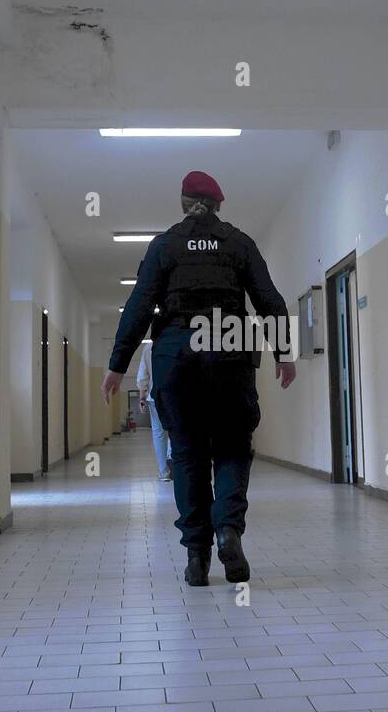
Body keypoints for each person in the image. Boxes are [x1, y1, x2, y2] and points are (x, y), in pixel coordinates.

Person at [102, 170, 296, 586]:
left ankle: (196, 558)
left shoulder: (164, 245)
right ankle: (228, 529)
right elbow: (270, 301)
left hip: (177, 356)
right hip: (229, 351)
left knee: (188, 455)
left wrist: (118, 365)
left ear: (182, 202)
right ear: (219, 205)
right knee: (231, 448)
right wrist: (285, 355)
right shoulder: (239, 243)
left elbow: (139, 305)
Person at [137, 338, 172, 480]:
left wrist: (142, 397)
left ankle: (164, 472)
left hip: (155, 396)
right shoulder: (181, 340)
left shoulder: (148, 347)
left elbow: (142, 375)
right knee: (176, 430)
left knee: (159, 434)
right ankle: (173, 460)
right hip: (177, 395)